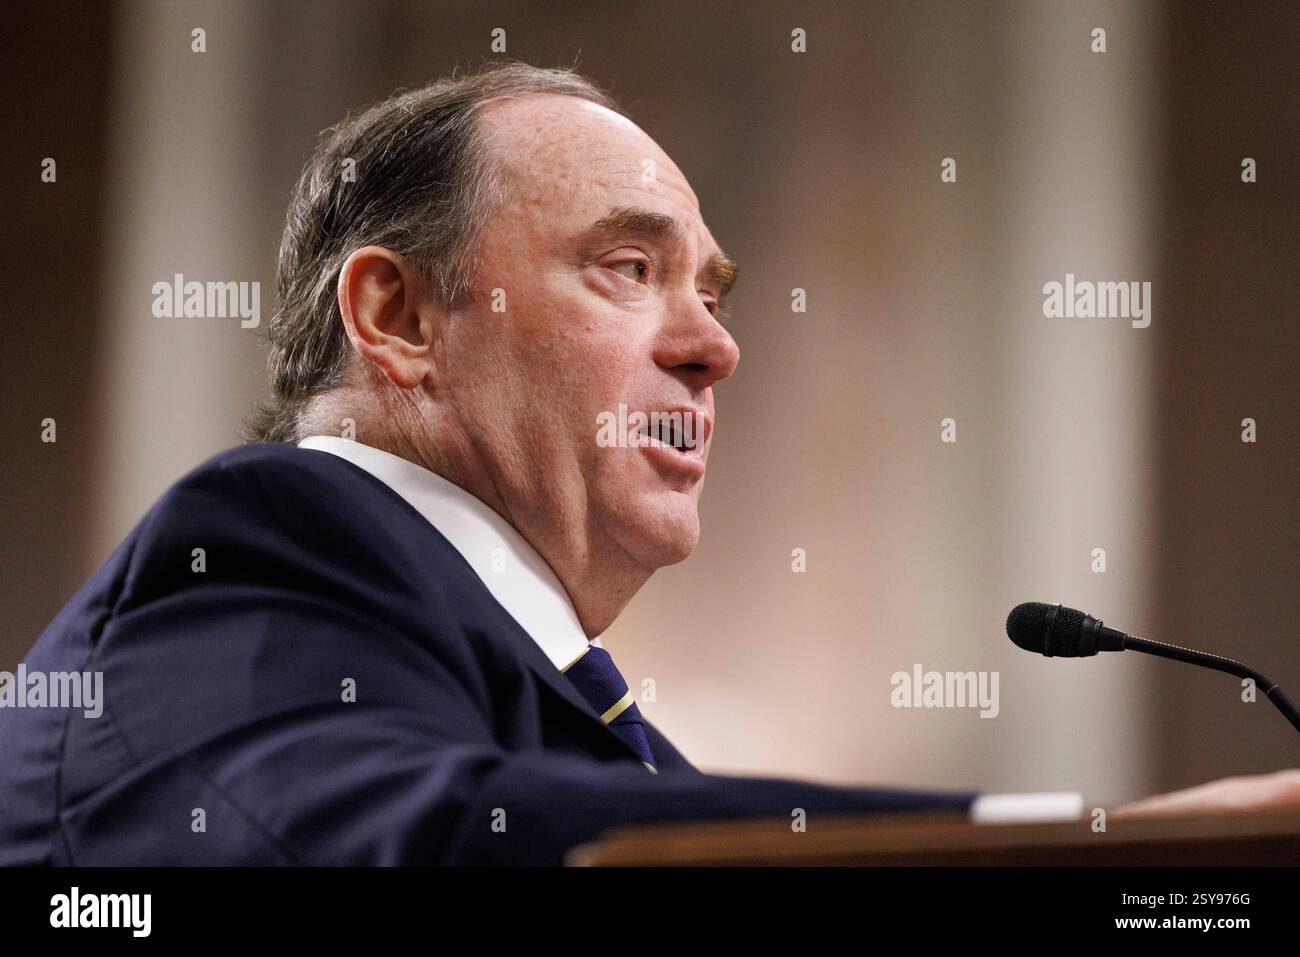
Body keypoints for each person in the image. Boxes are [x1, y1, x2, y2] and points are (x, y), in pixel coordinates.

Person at [2, 61, 1295, 865]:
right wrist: (1119, 856)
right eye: (629, 268)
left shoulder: (521, 691)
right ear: (396, 318)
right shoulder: (260, 548)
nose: (715, 347)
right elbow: (414, 844)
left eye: (715, 291)